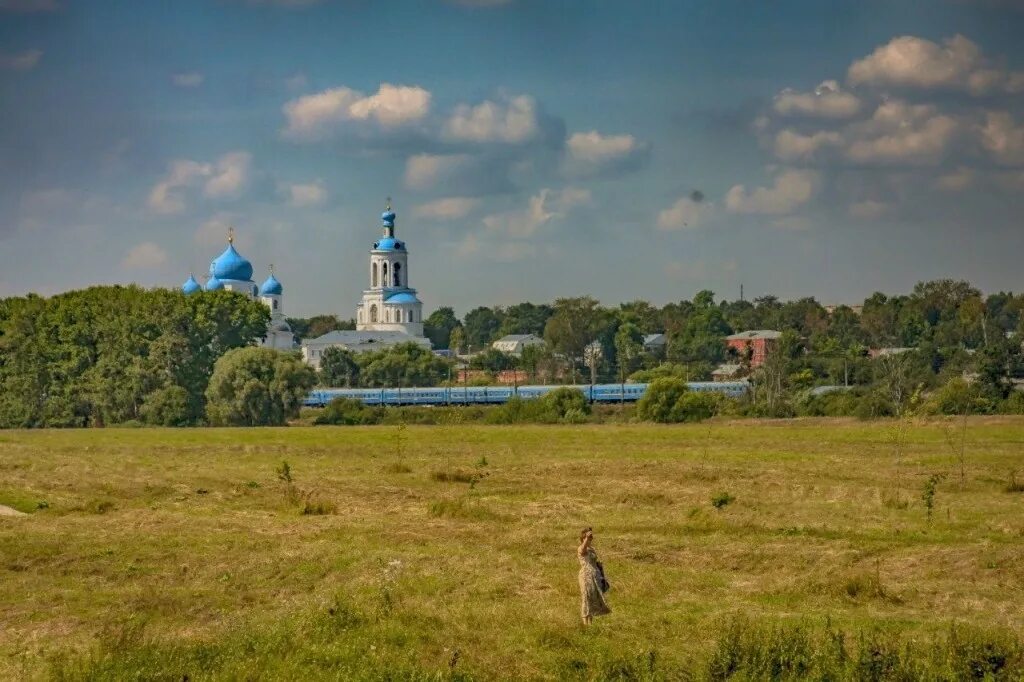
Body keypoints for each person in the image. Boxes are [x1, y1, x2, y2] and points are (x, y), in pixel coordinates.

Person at [577, 527, 610, 625]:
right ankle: (585, 622)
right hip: (586, 575)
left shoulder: (592, 549)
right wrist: (586, 538)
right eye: (587, 538)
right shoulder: (581, 547)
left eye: (590, 537)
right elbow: (583, 550)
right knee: (586, 597)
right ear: (583, 538)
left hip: (595, 575)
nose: (590, 539)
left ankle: (590, 622)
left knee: (593, 597)